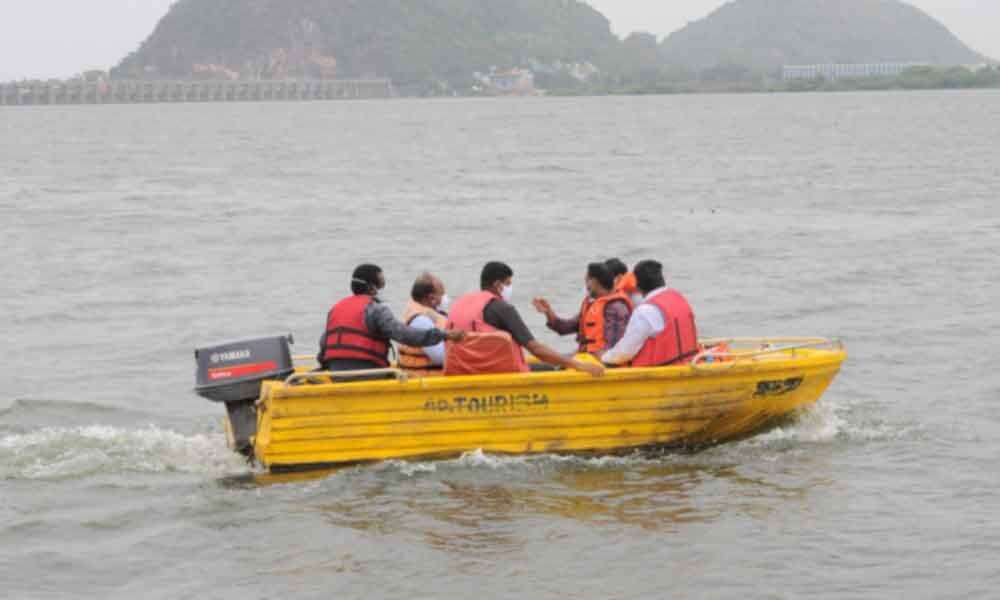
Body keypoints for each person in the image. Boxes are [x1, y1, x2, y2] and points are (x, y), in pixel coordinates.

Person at [447, 262, 605, 377]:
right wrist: (578, 365)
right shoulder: (502, 308)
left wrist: (549, 314)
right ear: (498, 285)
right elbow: (535, 349)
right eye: (508, 284)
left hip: (463, 372)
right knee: (560, 368)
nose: (510, 289)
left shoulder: (459, 303)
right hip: (502, 375)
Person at [318, 264, 465, 372]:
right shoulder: (376, 310)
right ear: (372, 288)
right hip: (368, 373)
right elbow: (404, 335)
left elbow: (325, 342)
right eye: (381, 284)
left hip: (336, 373)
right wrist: (444, 335)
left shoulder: (335, 309)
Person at [601, 260, 700, 367]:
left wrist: (604, 358)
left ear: (637, 285)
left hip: (661, 370)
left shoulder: (644, 311)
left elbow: (625, 352)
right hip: (688, 362)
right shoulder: (678, 297)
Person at [532, 262, 633, 356]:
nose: (586, 286)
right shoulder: (591, 304)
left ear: (594, 282)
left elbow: (613, 349)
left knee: (540, 368)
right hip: (585, 361)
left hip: (600, 367)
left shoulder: (617, 308)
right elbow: (563, 328)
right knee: (533, 367)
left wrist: (576, 361)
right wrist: (548, 312)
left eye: (587, 281)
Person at [398, 272, 450, 375]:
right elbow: (439, 357)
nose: (445, 298)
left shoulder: (422, 312)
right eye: (442, 294)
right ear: (431, 298)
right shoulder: (421, 322)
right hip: (424, 381)